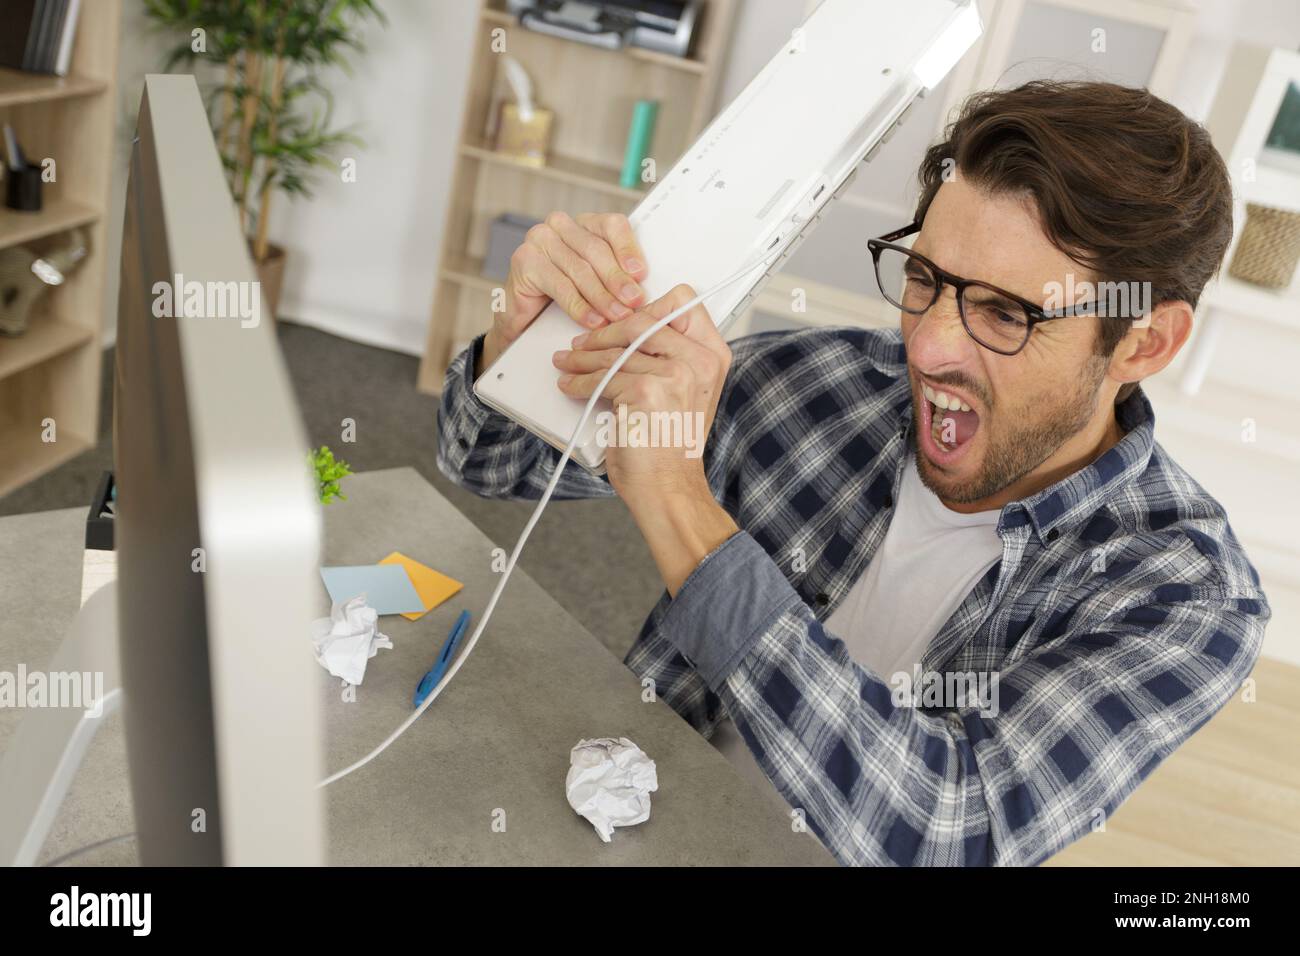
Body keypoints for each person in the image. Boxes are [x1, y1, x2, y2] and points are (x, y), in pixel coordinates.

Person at [435, 81, 1269, 865]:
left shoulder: (1186, 594)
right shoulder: (819, 385)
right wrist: (525, 340)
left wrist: (684, 511)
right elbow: (485, 459)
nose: (931, 345)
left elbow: (947, 832)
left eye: (1005, 313)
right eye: (925, 280)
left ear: (1143, 342)